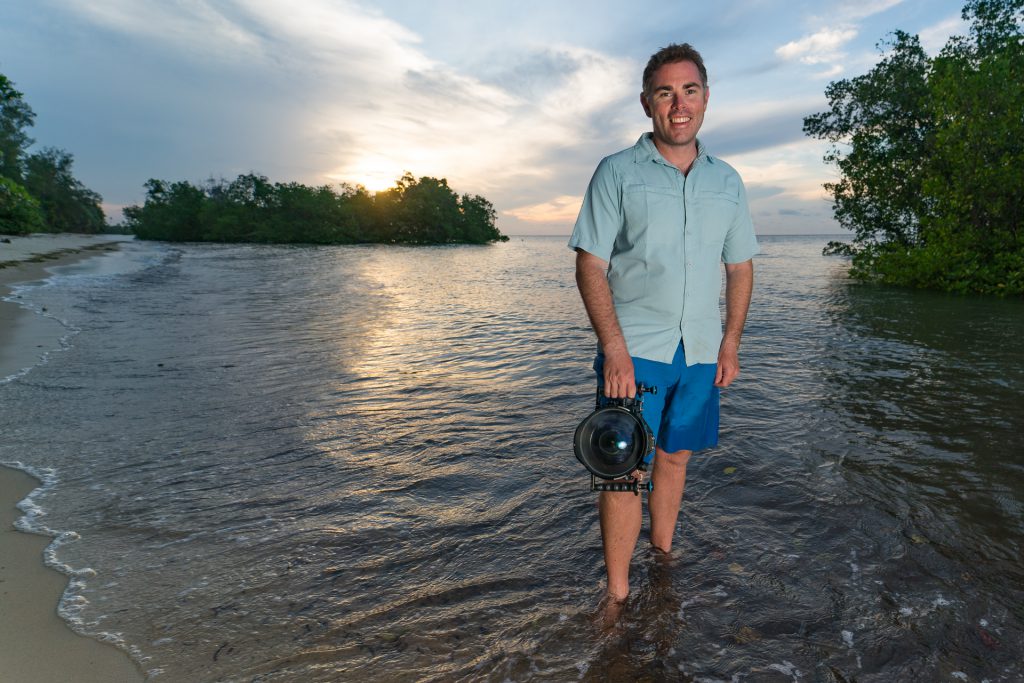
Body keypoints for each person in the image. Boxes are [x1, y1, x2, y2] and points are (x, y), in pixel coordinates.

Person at [568, 43, 758, 603]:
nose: (679, 105)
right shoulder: (617, 172)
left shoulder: (727, 181)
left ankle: (663, 563)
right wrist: (614, 349)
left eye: (689, 90)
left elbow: (740, 266)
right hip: (635, 352)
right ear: (647, 102)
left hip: (699, 351)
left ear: (706, 97)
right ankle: (618, 597)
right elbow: (590, 264)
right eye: (666, 92)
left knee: (675, 457)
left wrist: (730, 342)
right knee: (623, 467)